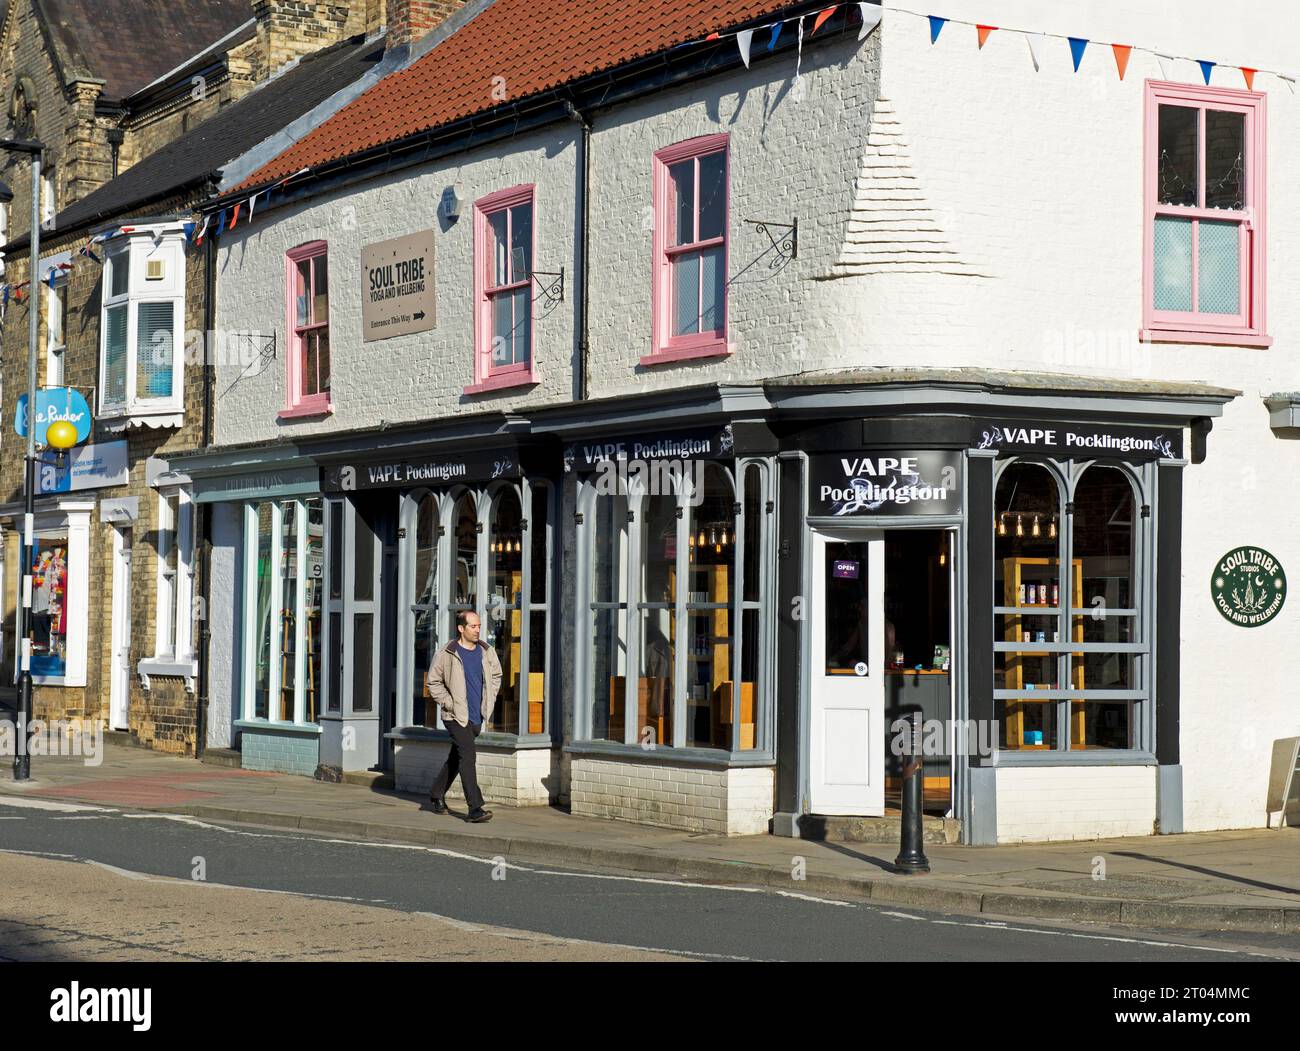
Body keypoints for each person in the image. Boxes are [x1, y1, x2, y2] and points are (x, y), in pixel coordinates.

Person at [426, 611, 502, 823]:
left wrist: (490, 699)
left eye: (479, 626)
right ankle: (475, 808)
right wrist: (448, 703)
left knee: (457, 757)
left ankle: (436, 793)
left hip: (476, 716)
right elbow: (433, 682)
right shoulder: (447, 653)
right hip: (455, 716)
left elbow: (496, 675)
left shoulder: (487, 652)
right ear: (461, 628)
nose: (478, 630)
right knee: (468, 757)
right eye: (473, 626)